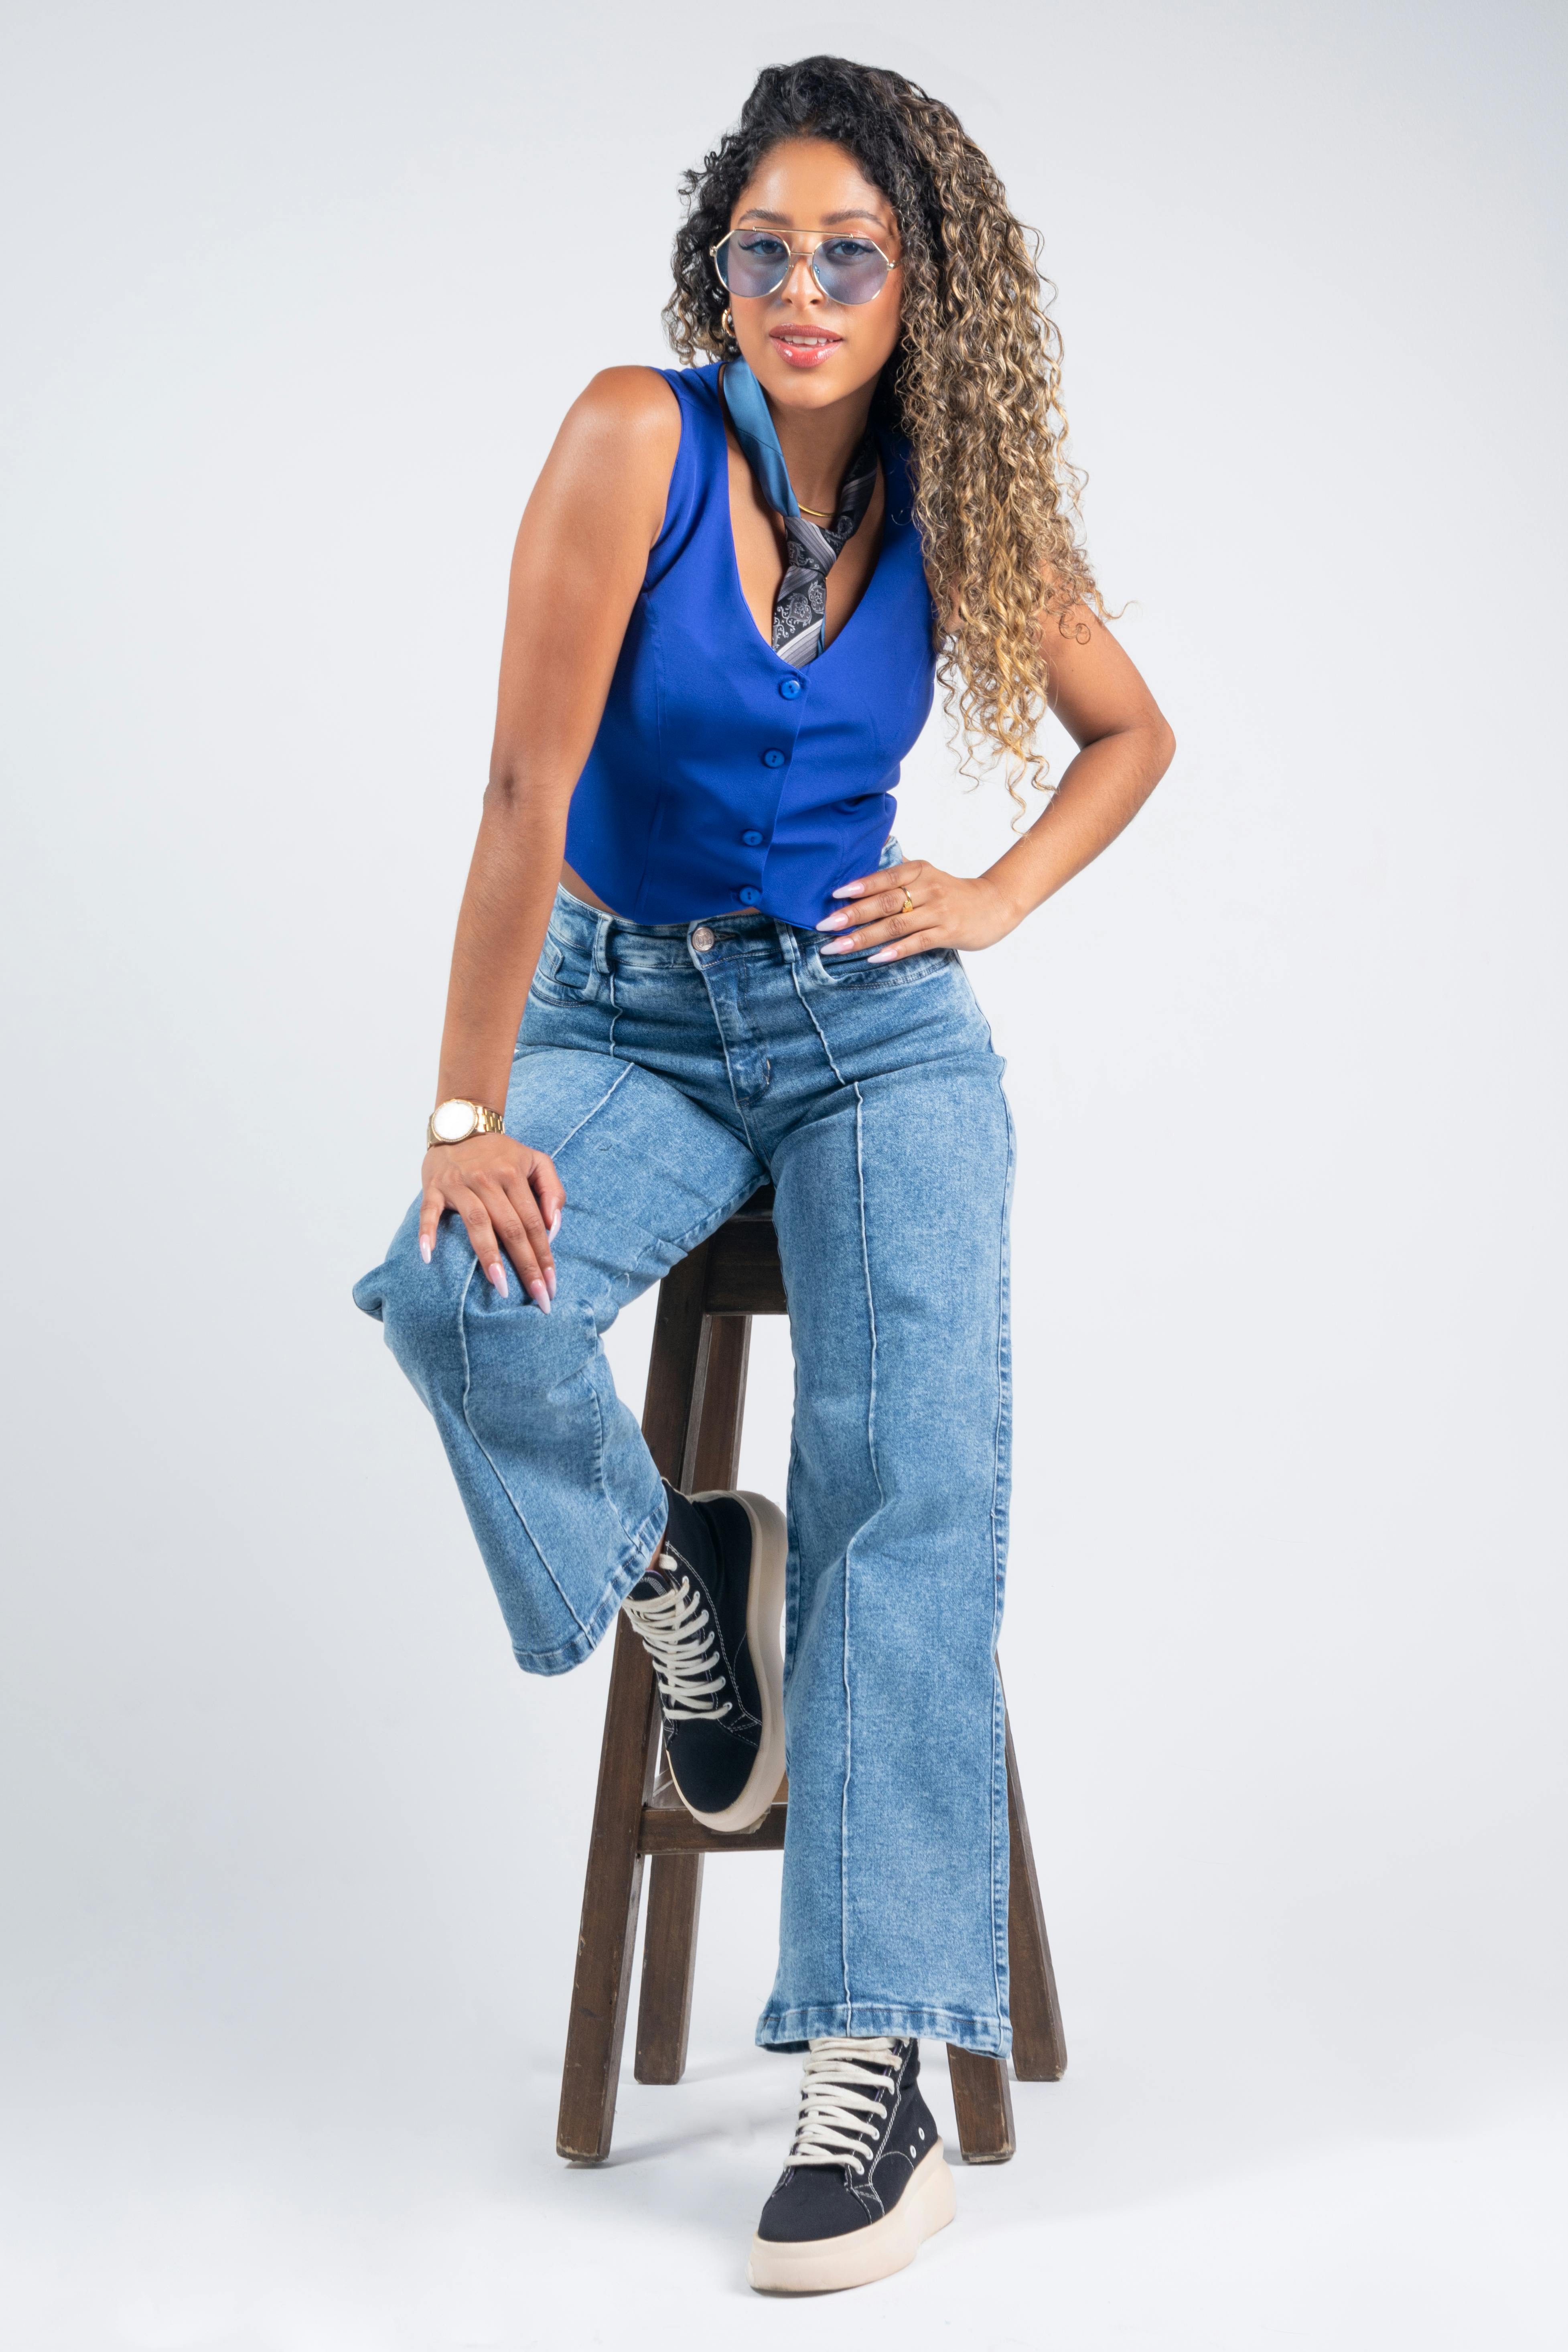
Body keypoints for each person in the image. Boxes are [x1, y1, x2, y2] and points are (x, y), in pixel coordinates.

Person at [354, 54, 1173, 2295]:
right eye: (765, 249)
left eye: (849, 254)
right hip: (620, 1010)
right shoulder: (638, 433)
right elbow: (523, 795)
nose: (801, 290)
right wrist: (464, 1112)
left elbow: (1132, 729)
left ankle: (870, 2059)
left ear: (921, 286)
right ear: (714, 263)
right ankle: (687, 1588)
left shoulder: (956, 488)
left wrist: (987, 898)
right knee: (451, 1296)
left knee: (912, 1479)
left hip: (862, 1030)